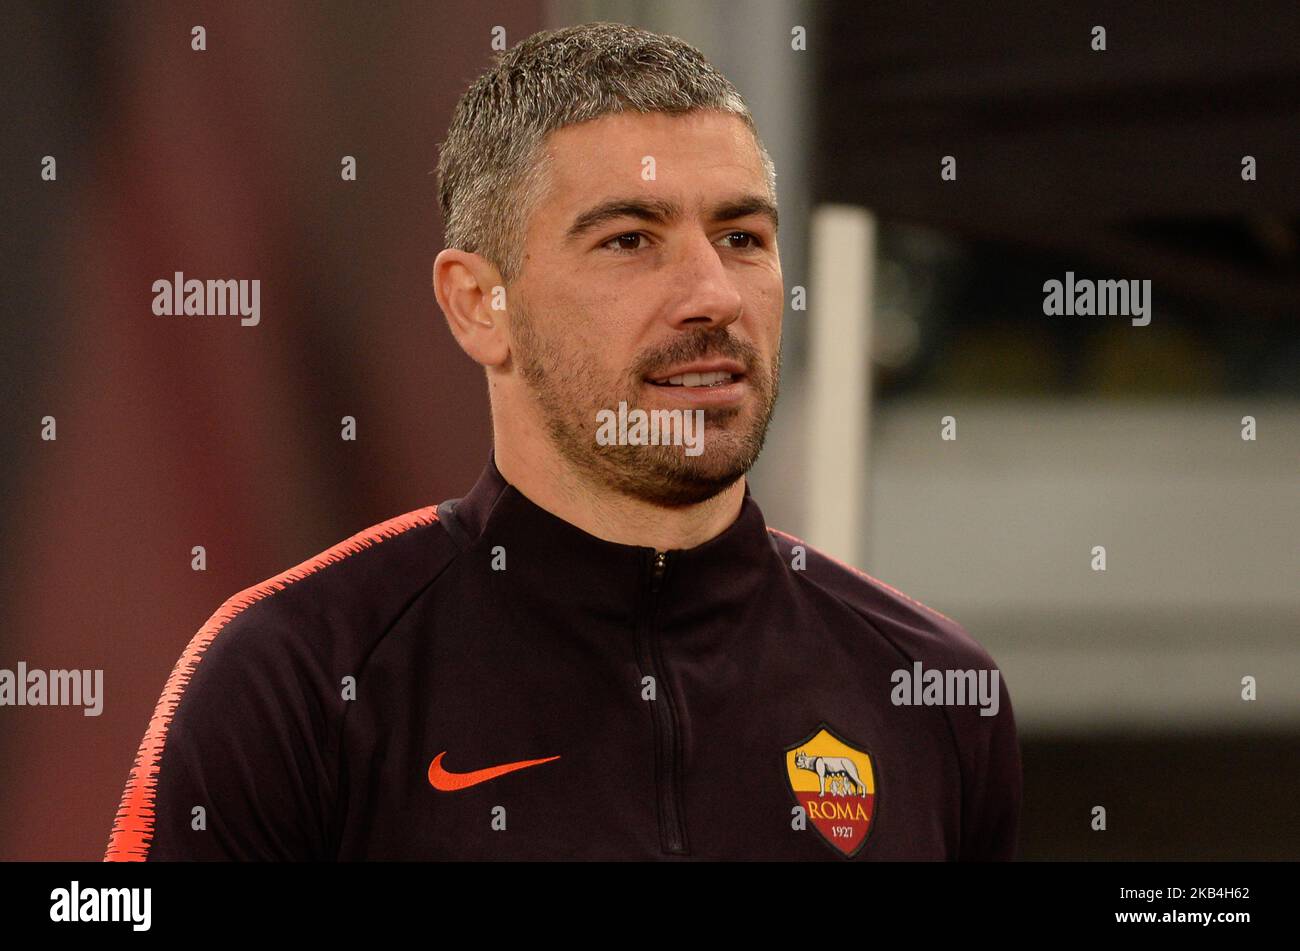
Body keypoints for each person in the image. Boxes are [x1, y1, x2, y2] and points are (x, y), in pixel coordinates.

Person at [105, 21, 1020, 861]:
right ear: (477, 304)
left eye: (742, 236)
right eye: (630, 240)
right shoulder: (295, 676)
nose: (714, 294)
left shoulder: (934, 691)